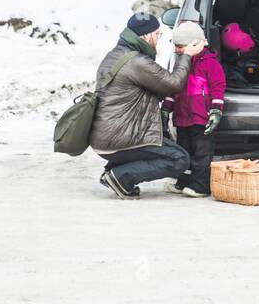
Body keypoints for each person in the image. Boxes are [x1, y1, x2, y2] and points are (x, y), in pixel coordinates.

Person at [90, 12, 204, 200]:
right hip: (122, 138)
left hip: (106, 137)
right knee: (179, 159)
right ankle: (120, 176)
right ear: (146, 35)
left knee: (166, 148)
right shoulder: (136, 62)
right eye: (157, 34)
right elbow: (173, 84)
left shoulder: (116, 55)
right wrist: (187, 56)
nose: (159, 39)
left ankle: (114, 173)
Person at [162, 21, 226, 198]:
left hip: (201, 118)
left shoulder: (211, 64)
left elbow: (218, 88)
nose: (177, 50)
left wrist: (215, 110)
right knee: (183, 152)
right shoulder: (181, 64)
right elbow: (173, 88)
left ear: (195, 44)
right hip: (182, 117)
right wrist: (166, 108)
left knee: (201, 153)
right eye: (175, 46)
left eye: (180, 46)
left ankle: (200, 185)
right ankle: (183, 181)